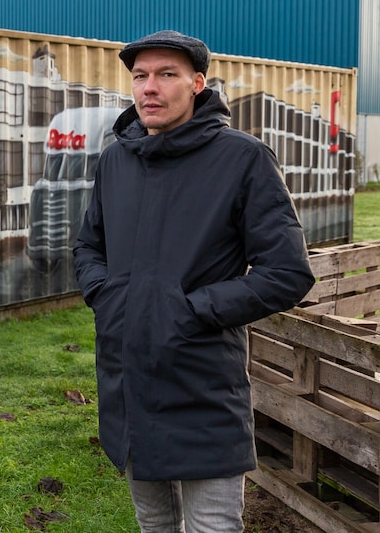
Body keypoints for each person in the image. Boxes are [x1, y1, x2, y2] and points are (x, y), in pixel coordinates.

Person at [72, 31, 314, 532]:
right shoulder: (116, 160)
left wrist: (192, 309)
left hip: (202, 384)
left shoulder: (243, 160)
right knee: (154, 523)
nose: (149, 88)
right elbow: (88, 247)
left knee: (213, 526)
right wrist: (108, 296)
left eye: (167, 75)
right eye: (140, 76)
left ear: (197, 84)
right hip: (129, 381)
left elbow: (287, 272)